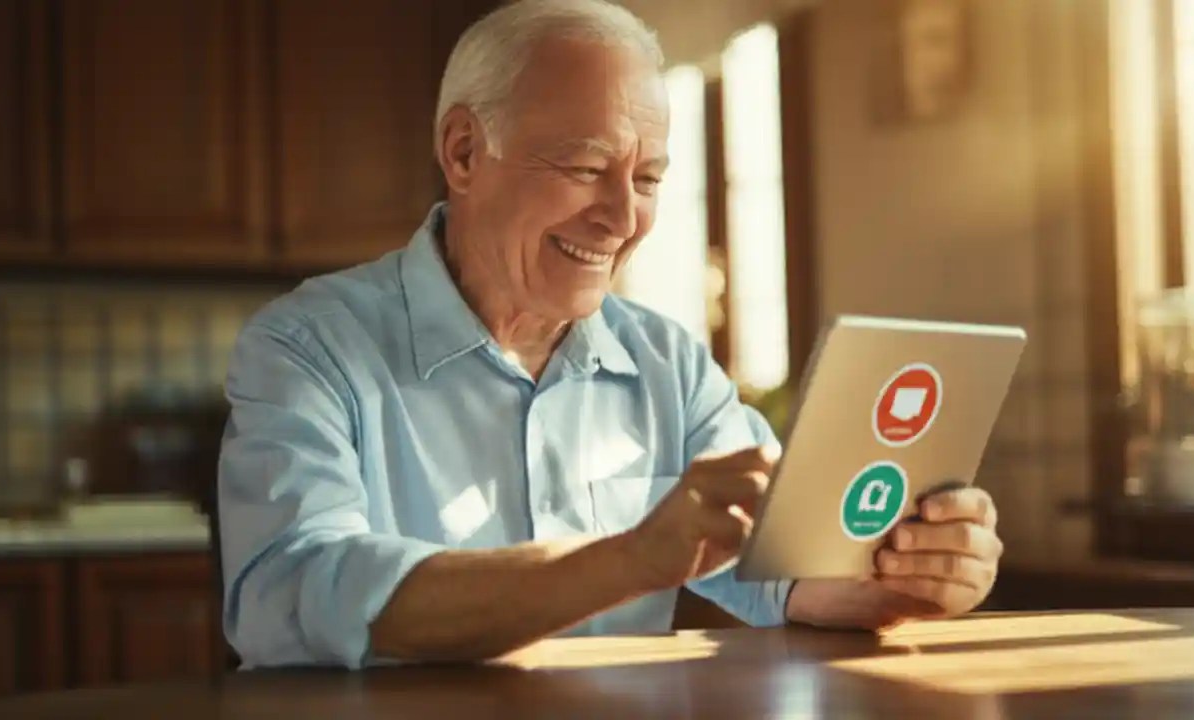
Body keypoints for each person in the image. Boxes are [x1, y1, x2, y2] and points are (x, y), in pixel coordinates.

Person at [217, 0, 1004, 669]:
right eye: (587, 167)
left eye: (650, 177)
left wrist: (895, 579)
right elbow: (291, 589)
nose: (625, 217)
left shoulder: (671, 366)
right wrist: (627, 558)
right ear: (463, 152)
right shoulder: (306, 348)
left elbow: (777, 571)